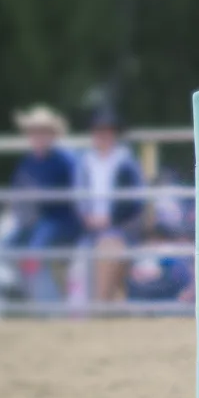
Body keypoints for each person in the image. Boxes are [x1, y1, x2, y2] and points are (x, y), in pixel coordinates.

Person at [7, 105, 82, 299]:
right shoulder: (28, 162)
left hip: (63, 220)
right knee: (6, 246)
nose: (38, 136)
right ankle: (33, 298)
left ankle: (49, 308)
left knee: (35, 252)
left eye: (43, 131)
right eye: (34, 131)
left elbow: (78, 196)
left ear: (52, 135)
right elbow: (18, 194)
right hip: (37, 222)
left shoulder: (66, 160)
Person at [73, 108, 146, 302]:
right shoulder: (85, 162)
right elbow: (78, 197)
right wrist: (87, 217)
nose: (102, 136)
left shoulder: (126, 162)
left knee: (108, 251)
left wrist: (110, 220)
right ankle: (100, 305)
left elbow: (136, 201)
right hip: (89, 228)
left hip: (120, 228)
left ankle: (100, 305)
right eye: (98, 131)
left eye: (106, 131)